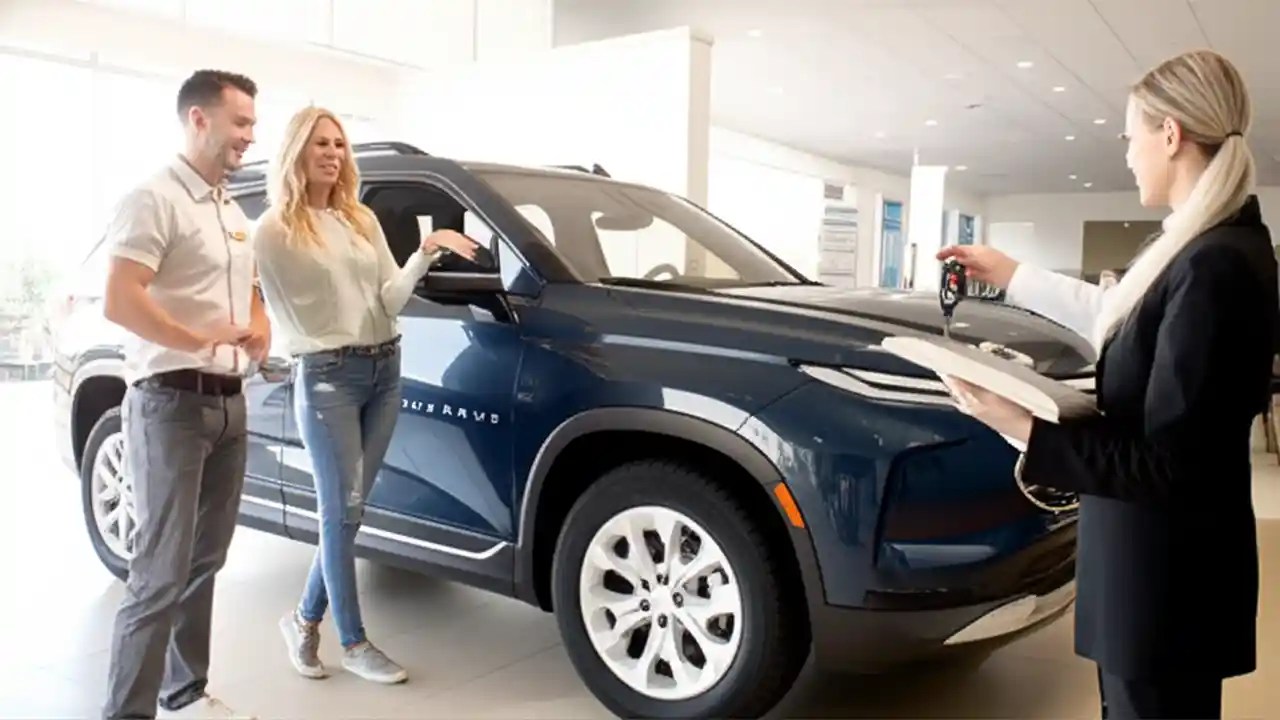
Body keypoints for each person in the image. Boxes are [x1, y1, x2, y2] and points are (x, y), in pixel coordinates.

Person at [940, 49, 1276, 719]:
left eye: (1131, 136)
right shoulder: (1201, 247)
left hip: (1164, 591)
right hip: (1153, 583)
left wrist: (1023, 425)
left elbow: (1168, 465)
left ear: (1171, 134)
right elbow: (1126, 325)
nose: (1126, 153)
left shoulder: (1213, 265)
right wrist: (1012, 274)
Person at [252, 106, 478, 684]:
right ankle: (351, 642)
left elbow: (390, 299)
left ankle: (303, 621)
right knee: (340, 511)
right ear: (297, 150)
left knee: (349, 513)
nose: (333, 153)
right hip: (327, 377)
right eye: (320, 143)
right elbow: (256, 298)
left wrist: (427, 251)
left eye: (339, 144)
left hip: (385, 370)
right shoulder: (273, 230)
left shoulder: (360, 220)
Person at [100, 69, 269, 720]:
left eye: (252, 124)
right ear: (199, 119)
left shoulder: (229, 208)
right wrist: (194, 337)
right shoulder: (153, 197)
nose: (250, 136)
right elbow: (122, 297)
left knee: (205, 560)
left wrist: (258, 325)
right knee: (159, 573)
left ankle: (186, 694)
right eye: (242, 123)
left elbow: (248, 288)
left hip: (229, 404)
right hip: (169, 403)